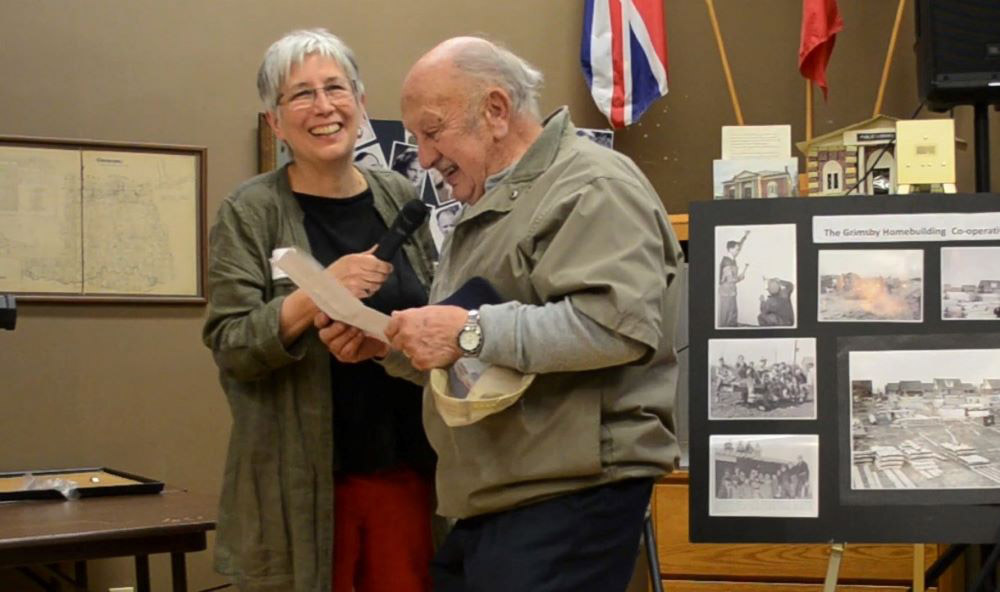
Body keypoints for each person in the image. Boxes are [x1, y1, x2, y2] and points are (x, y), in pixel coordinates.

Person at [316, 36, 683, 592]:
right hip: (499, 496)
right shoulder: (488, 204)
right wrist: (390, 348)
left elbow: (614, 325)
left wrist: (465, 329)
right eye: (416, 138)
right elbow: (485, 362)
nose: (426, 157)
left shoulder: (592, 185)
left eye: (434, 131)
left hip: (569, 494)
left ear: (495, 110)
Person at [202, 29, 437, 592]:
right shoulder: (250, 211)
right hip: (296, 488)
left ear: (359, 102)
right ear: (276, 121)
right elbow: (231, 344)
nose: (324, 106)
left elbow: (434, 313)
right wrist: (316, 295)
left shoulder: (399, 197)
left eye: (336, 88)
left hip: (404, 473)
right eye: (300, 94)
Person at [718, 233, 749, 327]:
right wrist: (741, 275)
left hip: (731, 290)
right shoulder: (727, 261)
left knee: (733, 310)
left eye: (738, 249)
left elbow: (739, 244)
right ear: (730, 249)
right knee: (726, 313)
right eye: (736, 249)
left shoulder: (732, 259)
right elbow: (731, 279)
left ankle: (732, 327)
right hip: (726, 290)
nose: (738, 251)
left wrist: (744, 237)